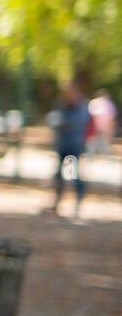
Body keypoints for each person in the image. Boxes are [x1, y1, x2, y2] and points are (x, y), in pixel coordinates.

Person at [44, 81, 90, 218]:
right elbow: (54, 121)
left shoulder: (81, 106)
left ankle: (78, 202)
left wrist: (63, 124)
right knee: (59, 175)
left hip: (74, 146)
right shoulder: (61, 105)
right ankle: (57, 202)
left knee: (74, 175)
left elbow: (77, 124)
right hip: (62, 145)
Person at [87, 88, 116, 156]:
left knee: (99, 140)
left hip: (101, 125)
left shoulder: (95, 102)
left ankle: (97, 154)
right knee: (94, 140)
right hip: (99, 124)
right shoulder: (107, 103)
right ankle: (98, 154)